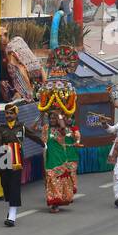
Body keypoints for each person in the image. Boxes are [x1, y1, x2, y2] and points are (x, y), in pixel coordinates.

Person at [0, 104, 44, 227]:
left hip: (17, 158)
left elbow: (32, 135)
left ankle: (12, 213)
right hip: (4, 158)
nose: (8, 115)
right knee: (5, 183)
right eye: (7, 113)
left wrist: (42, 143)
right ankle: (11, 204)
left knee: (14, 184)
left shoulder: (21, 127)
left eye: (11, 113)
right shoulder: (1, 128)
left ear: (16, 114)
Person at [37, 78, 80, 214]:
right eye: (51, 119)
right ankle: (53, 201)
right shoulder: (46, 129)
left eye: (54, 119)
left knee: (60, 179)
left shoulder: (64, 130)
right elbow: (35, 131)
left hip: (61, 159)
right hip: (49, 159)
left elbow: (63, 127)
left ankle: (56, 203)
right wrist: (42, 115)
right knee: (50, 180)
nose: (52, 120)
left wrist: (60, 116)